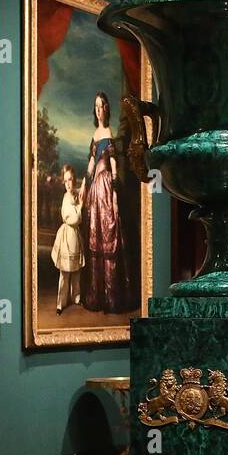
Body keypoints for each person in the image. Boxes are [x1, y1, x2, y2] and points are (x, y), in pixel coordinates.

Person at [80, 92, 129, 312]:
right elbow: (91, 163)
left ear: (107, 109)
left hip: (107, 188)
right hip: (95, 190)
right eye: (96, 106)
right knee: (95, 236)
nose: (99, 110)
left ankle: (111, 298)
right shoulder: (95, 133)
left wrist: (116, 193)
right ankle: (96, 296)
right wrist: (83, 184)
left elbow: (113, 163)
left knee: (109, 234)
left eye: (101, 106)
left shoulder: (108, 132)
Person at [51, 164, 85, 314]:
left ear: (74, 180)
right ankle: (60, 303)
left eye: (70, 180)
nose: (68, 184)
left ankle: (76, 297)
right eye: (65, 181)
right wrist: (81, 205)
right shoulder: (66, 199)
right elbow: (75, 219)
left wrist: (83, 186)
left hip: (75, 236)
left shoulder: (74, 193)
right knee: (65, 273)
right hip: (67, 235)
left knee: (76, 271)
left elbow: (81, 189)